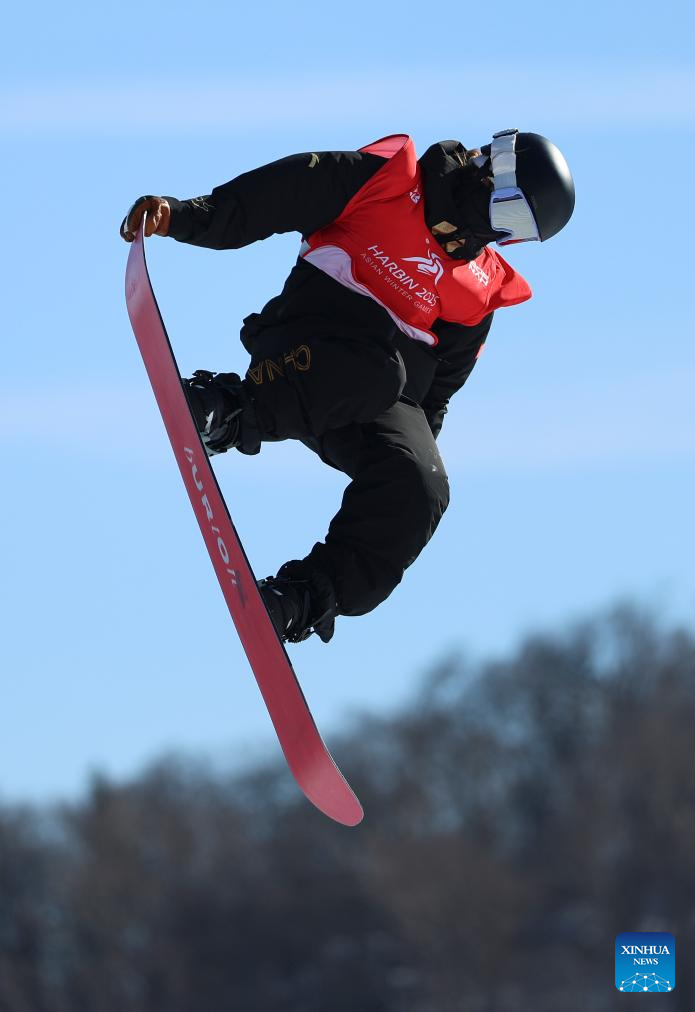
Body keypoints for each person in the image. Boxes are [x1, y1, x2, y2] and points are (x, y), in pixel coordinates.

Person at [120, 129, 575, 644]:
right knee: (377, 371)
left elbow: (437, 397)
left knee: (422, 484)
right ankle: (229, 410)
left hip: (372, 399)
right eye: (509, 214)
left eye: (517, 233)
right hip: (302, 356)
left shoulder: (478, 290)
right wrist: (182, 216)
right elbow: (271, 197)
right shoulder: (384, 183)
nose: (499, 234)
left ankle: (304, 598)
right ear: (493, 172)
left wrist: (403, 461)